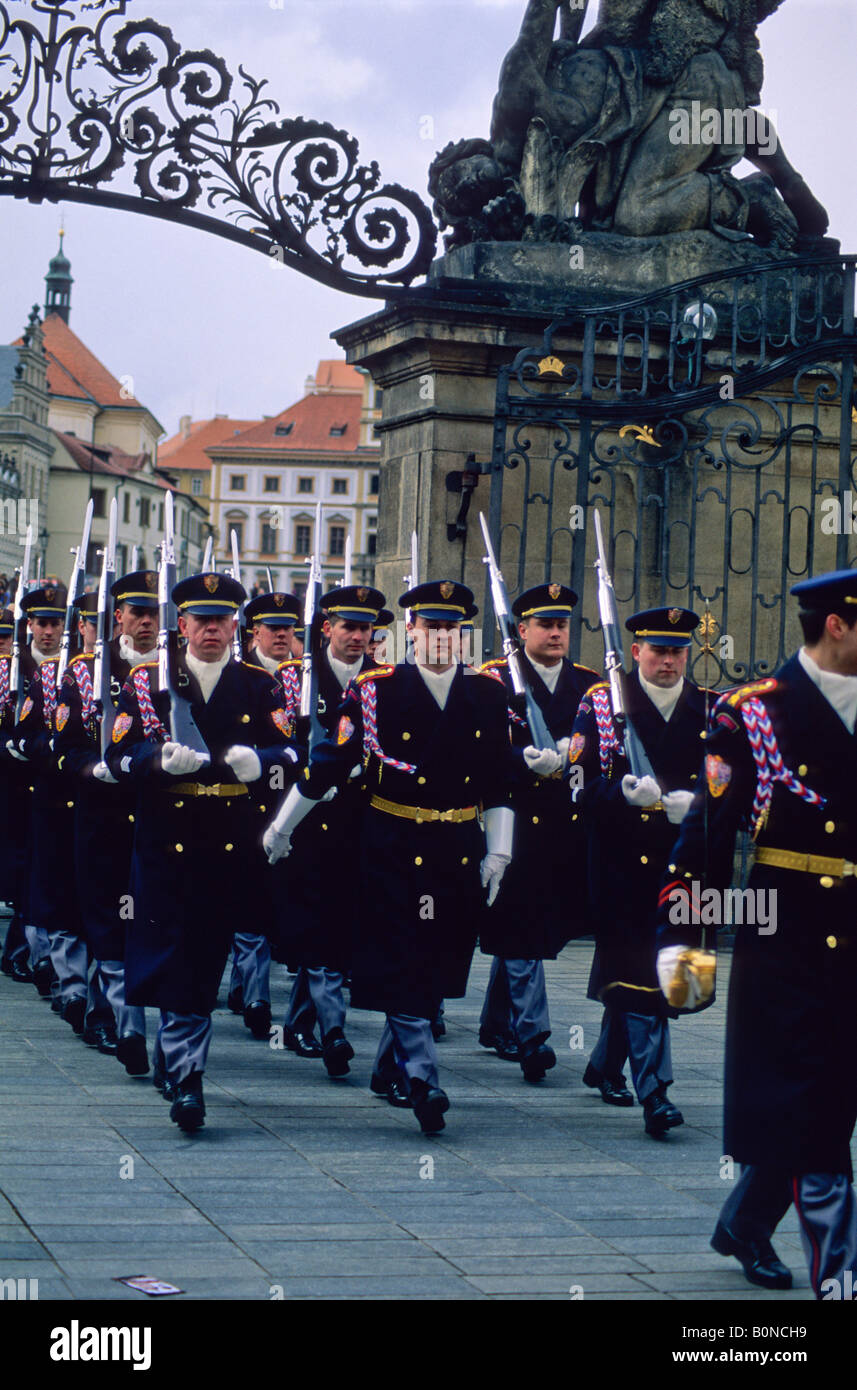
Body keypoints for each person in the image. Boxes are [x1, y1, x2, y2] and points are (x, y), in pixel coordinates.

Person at [656, 570, 857, 1297]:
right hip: (783, 926)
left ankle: (744, 1222)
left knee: (826, 1093)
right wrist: (685, 942)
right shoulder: (753, 713)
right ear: (835, 624)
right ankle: (839, 1271)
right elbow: (709, 834)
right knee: (808, 1093)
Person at [264, 580, 517, 1134]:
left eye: (453, 628)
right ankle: (423, 1078)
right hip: (392, 847)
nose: (443, 637)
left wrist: (500, 848)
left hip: (455, 847)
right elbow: (326, 764)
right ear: (411, 631)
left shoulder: (488, 695)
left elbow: (500, 782)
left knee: (435, 963)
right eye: (432, 627)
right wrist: (282, 826)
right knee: (404, 958)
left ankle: (388, 1067)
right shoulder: (377, 690)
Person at [105, 572, 305, 1132]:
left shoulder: (260, 686)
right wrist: (155, 761)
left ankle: (185, 1070)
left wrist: (261, 761)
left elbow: (294, 750)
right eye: (201, 619)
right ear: (183, 624)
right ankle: (183, 1071)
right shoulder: (148, 683)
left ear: (235, 625)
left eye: (222, 619)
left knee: (203, 954)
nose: (211, 629)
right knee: (169, 951)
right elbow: (117, 756)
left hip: (228, 841)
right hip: (165, 839)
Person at [570, 606, 705, 1135]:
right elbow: (577, 785)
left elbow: (729, 786)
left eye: (677, 651)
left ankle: (605, 1063)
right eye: (658, 650)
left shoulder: (711, 709)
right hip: (623, 864)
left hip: (686, 863)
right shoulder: (603, 703)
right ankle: (657, 1093)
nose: (668, 661)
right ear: (636, 652)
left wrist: (696, 804)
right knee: (648, 977)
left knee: (674, 978)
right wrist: (621, 795)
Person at [479, 583, 600, 1078]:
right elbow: (477, 748)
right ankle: (534, 1037)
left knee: (527, 927)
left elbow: (605, 752)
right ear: (521, 630)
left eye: (562, 625)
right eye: (545, 625)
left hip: (564, 825)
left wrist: (577, 751)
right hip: (511, 819)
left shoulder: (591, 684)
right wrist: (517, 758)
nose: (555, 633)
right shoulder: (493, 680)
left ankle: (494, 1023)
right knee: (521, 925)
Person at [272, 585, 386, 1076]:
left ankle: (301, 1021)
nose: (358, 637)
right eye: (349, 627)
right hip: (306, 820)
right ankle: (332, 1030)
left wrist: (362, 772)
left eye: (366, 629)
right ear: (327, 630)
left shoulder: (384, 682)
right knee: (315, 921)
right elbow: (278, 744)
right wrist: (316, 775)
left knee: (336, 922)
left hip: (359, 820)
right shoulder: (294, 680)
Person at [54, 573, 160, 1071]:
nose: (146, 622)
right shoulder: (89, 670)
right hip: (102, 810)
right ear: (117, 616)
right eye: (138, 612)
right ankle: (124, 1024)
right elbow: (63, 744)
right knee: (106, 911)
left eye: (155, 613)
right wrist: (89, 766)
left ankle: (110, 1010)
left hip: (159, 814)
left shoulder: (173, 671)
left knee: (140, 916)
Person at [223, 590, 302, 1040]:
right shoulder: (241, 676)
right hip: (240, 802)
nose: (281, 636)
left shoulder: (299, 676)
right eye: (273, 629)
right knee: (245, 899)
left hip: (288, 801)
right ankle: (252, 993)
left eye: (288, 629)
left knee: (269, 899)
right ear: (254, 632)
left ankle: (250, 989)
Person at [0, 608, 32, 984]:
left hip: (18, 783)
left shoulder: (23, 674)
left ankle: (17, 950)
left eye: (6, 638)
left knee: (23, 866)